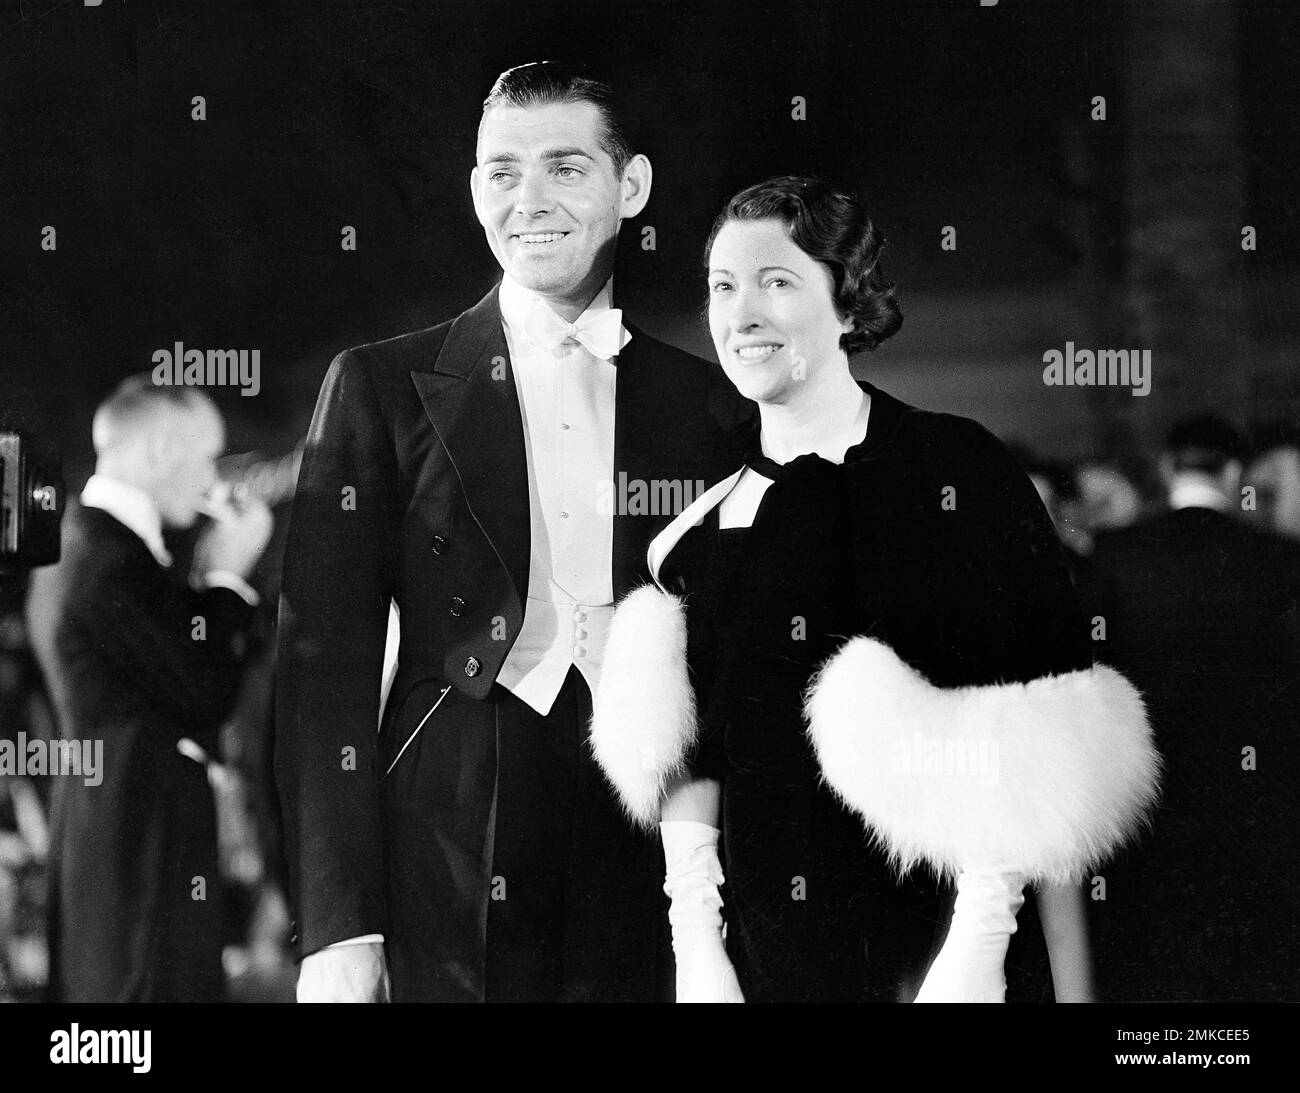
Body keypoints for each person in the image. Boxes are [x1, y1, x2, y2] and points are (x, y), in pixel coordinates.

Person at [591, 177, 1158, 1003]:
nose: (740, 313)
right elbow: (693, 749)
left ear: (849, 306)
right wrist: (696, 945)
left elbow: (1039, 700)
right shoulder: (698, 528)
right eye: (723, 286)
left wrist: (981, 936)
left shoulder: (955, 467)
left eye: (776, 281)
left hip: (935, 943)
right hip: (767, 954)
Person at [275, 62, 747, 1003]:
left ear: (632, 187)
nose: (528, 198)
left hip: (648, 813)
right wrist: (338, 924)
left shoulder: (709, 403)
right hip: (448, 822)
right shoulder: (378, 384)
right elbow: (318, 675)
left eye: (566, 167)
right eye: (501, 172)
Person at [26, 377, 271, 1002]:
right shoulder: (102, 560)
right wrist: (225, 581)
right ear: (161, 450)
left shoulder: (98, 547)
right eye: (206, 456)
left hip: (122, 837)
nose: (211, 479)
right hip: (137, 851)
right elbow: (203, 692)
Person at [1084, 415, 1300, 1001]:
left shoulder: (1112, 555)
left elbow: (1092, 673)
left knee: (1156, 953)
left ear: (1166, 468)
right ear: (1234, 472)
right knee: (1252, 955)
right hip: (1258, 793)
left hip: (1148, 791)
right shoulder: (1280, 562)